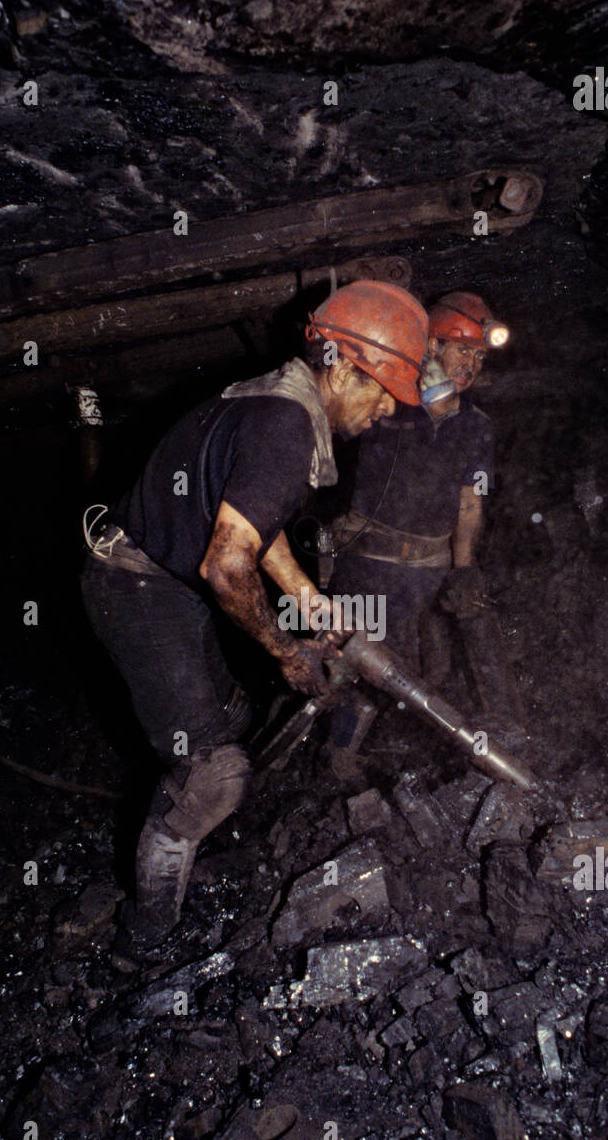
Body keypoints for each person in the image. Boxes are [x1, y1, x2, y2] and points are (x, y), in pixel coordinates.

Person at [80, 280, 429, 953]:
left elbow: (249, 524)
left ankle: (195, 840)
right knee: (211, 774)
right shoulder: (284, 428)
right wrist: (285, 650)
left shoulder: (274, 401)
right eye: (382, 387)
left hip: (160, 577)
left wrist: (306, 598)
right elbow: (227, 567)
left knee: (233, 718)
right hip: (134, 586)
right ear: (342, 365)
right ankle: (145, 933)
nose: (387, 408)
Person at [326, 291, 507, 761]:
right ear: (430, 346)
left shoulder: (477, 427)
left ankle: (374, 761)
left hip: (423, 574)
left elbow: (471, 503)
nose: (472, 363)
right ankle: (331, 761)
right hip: (367, 565)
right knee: (349, 668)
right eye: (462, 348)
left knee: (411, 674)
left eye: (479, 356)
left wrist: (464, 568)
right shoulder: (388, 397)